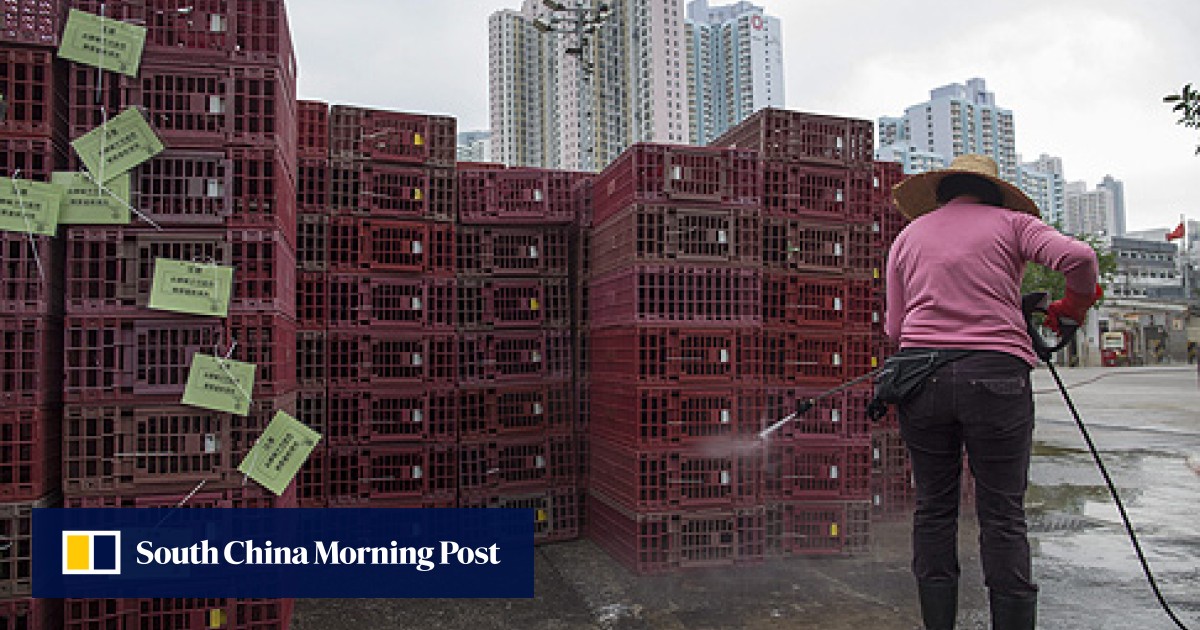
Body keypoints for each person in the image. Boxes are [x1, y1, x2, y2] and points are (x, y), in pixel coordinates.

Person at [885, 154, 1100, 630]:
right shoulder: (1014, 224)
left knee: (934, 510)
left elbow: (895, 329)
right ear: (994, 194)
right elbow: (1081, 258)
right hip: (997, 377)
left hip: (922, 379)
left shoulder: (908, 237)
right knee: (1002, 513)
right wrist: (1074, 304)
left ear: (942, 193)